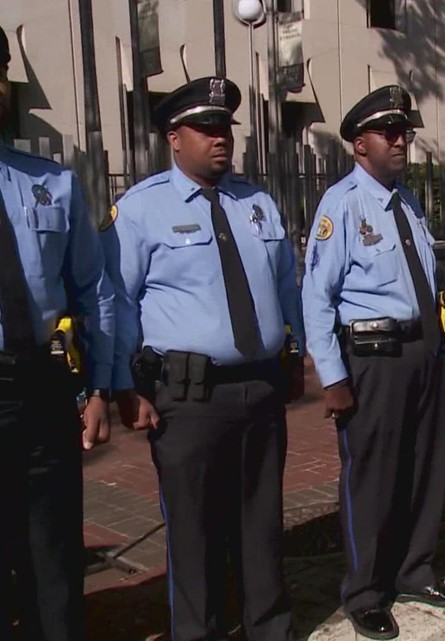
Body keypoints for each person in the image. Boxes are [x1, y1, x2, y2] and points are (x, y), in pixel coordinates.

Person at [101, 77, 303, 641]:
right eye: (206, 128)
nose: (221, 139)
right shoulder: (140, 211)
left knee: (262, 525)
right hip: (188, 397)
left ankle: (270, 629)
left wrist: (295, 350)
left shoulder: (257, 203)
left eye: (225, 129)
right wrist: (126, 384)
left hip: (260, 388)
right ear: (174, 137)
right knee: (195, 533)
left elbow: (286, 286)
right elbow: (117, 301)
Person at [301, 86, 445, 640]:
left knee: (423, 465)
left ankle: (415, 568)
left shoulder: (408, 201)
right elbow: (316, 298)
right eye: (388, 133)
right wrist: (333, 377)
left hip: (423, 351)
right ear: (358, 144)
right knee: (373, 476)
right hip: (374, 358)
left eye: (404, 132)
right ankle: (366, 590)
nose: (400, 141)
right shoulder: (342, 204)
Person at [0, 25, 115, 641]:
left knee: (54, 553)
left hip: (43, 386)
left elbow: (94, 289)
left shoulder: (51, 184)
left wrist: (98, 388)